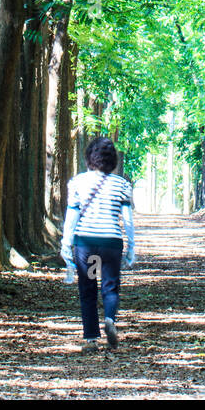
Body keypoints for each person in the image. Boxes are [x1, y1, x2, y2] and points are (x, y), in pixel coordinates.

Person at [60, 137, 135, 353]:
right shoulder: (122, 184)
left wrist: (66, 243)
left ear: (89, 158)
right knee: (110, 287)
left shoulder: (78, 182)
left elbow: (72, 215)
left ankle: (91, 338)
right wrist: (131, 246)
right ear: (113, 160)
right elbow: (127, 219)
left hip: (87, 244)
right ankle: (110, 319)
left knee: (89, 287)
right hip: (110, 243)